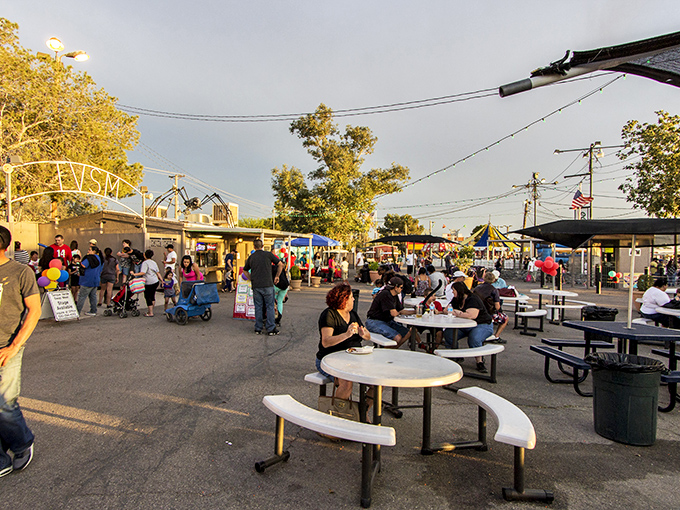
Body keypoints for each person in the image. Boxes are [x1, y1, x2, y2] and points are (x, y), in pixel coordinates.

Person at [0, 225, 40, 478]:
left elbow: (34, 311)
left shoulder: (20, 272)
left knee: (4, 404)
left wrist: (14, 346)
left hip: (7, 346)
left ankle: (22, 442)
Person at [316, 283, 372, 400]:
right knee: (346, 384)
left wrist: (364, 334)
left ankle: (363, 411)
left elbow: (367, 335)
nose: (353, 299)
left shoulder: (352, 315)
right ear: (344, 299)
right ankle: (336, 414)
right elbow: (326, 342)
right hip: (330, 359)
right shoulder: (329, 315)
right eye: (351, 297)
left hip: (353, 359)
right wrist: (346, 335)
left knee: (377, 383)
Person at [442, 281, 493, 373]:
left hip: (482, 324)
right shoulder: (456, 299)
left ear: (459, 290)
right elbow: (446, 310)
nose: (452, 292)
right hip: (464, 325)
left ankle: (479, 361)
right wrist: (459, 313)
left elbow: (472, 315)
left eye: (453, 290)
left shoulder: (473, 299)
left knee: (474, 338)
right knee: (448, 334)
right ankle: (455, 355)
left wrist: (457, 312)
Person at [244, 239, 284, 335]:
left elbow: (245, 271)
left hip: (256, 286)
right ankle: (271, 328)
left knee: (258, 307)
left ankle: (258, 328)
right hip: (268, 284)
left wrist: (251, 278)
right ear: (262, 246)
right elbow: (280, 264)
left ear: (254, 247)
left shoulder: (251, 257)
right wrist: (277, 276)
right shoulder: (268, 255)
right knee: (270, 306)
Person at [365, 276, 413, 348]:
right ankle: (386, 354)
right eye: (401, 287)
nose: (402, 290)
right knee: (397, 337)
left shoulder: (394, 295)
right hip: (374, 321)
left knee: (407, 333)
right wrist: (399, 312)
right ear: (396, 287)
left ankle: (392, 350)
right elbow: (393, 313)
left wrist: (415, 311)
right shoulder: (386, 294)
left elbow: (400, 310)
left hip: (386, 321)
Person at [473, 271, 508, 344]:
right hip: (489, 313)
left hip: (477, 311)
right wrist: (500, 311)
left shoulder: (477, 288)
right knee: (505, 318)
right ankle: (496, 336)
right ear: (493, 280)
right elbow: (497, 306)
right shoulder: (494, 290)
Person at [132, 249, 163, 317]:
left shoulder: (145, 263)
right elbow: (158, 273)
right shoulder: (153, 262)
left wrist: (134, 274)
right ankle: (150, 310)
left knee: (147, 296)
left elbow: (143, 272)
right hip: (155, 281)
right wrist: (162, 281)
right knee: (152, 296)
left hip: (148, 282)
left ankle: (150, 312)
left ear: (145, 255)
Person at [76, 246, 103, 316]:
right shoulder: (99, 258)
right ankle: (93, 310)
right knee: (93, 296)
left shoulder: (89, 258)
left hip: (87, 280)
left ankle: (77, 312)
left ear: (93, 251)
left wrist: (79, 262)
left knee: (82, 297)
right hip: (95, 280)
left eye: (89, 250)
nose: (88, 251)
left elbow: (84, 265)